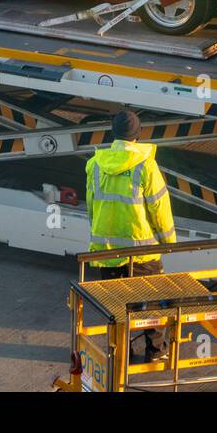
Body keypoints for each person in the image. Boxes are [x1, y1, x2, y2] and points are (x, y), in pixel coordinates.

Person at [85, 109, 176, 360]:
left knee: (117, 305)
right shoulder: (146, 165)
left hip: (107, 250)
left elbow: (91, 207)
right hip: (143, 251)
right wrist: (169, 242)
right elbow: (160, 207)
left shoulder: (94, 165)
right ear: (138, 135)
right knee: (151, 304)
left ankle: (119, 353)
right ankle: (156, 352)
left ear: (113, 134)